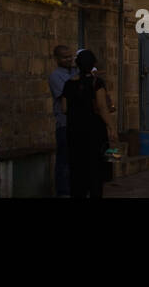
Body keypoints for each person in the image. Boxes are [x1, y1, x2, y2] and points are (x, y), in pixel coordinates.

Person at [62, 48, 118, 198]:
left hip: (74, 132)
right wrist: (111, 127)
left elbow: (64, 108)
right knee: (95, 171)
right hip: (94, 132)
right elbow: (102, 108)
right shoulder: (96, 83)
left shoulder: (68, 84)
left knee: (77, 170)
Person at [48, 45, 76, 197]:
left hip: (78, 123)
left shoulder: (75, 71)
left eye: (70, 56)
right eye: (65, 57)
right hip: (64, 123)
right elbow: (68, 95)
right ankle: (63, 192)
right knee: (64, 161)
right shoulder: (56, 76)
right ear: (57, 59)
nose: (69, 60)